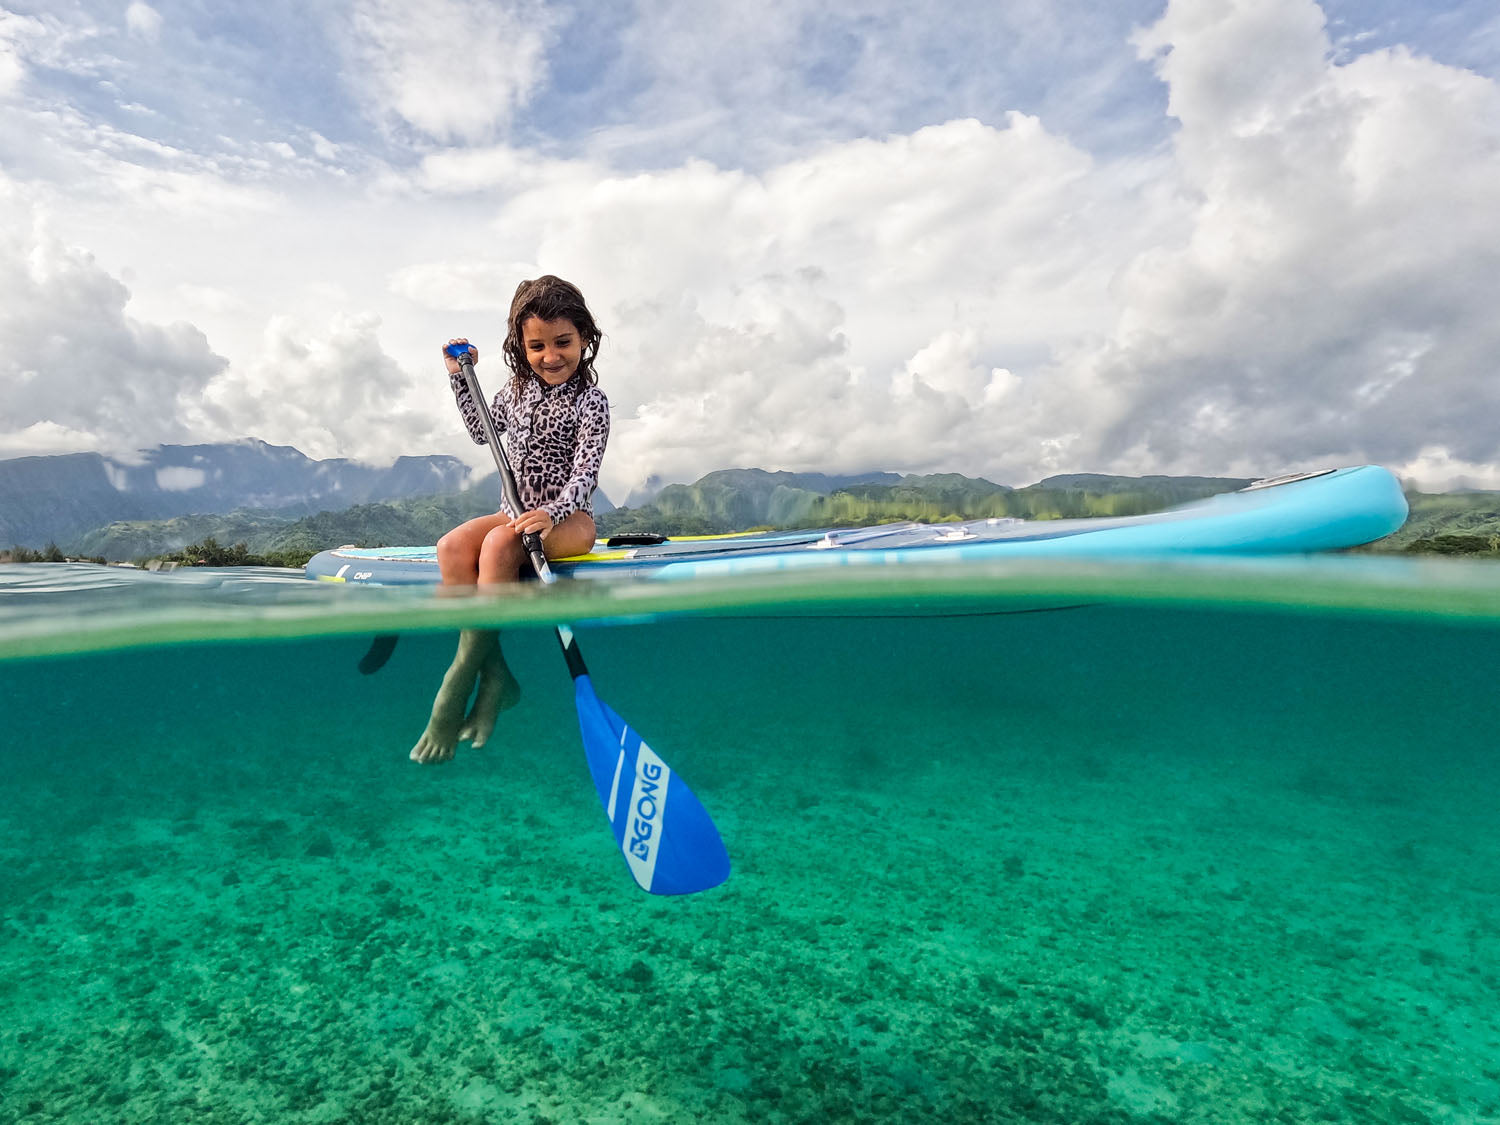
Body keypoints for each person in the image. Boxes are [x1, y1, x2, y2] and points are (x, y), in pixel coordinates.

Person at [411, 275, 610, 764]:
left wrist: (552, 514)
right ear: (520, 347)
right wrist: (460, 378)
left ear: (584, 338)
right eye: (537, 346)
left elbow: (586, 474)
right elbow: (482, 432)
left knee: (500, 544)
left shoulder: (592, 402)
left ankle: (457, 683)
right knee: (451, 547)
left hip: (569, 518)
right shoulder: (514, 392)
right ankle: (496, 677)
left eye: (563, 342)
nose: (551, 356)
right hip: (512, 514)